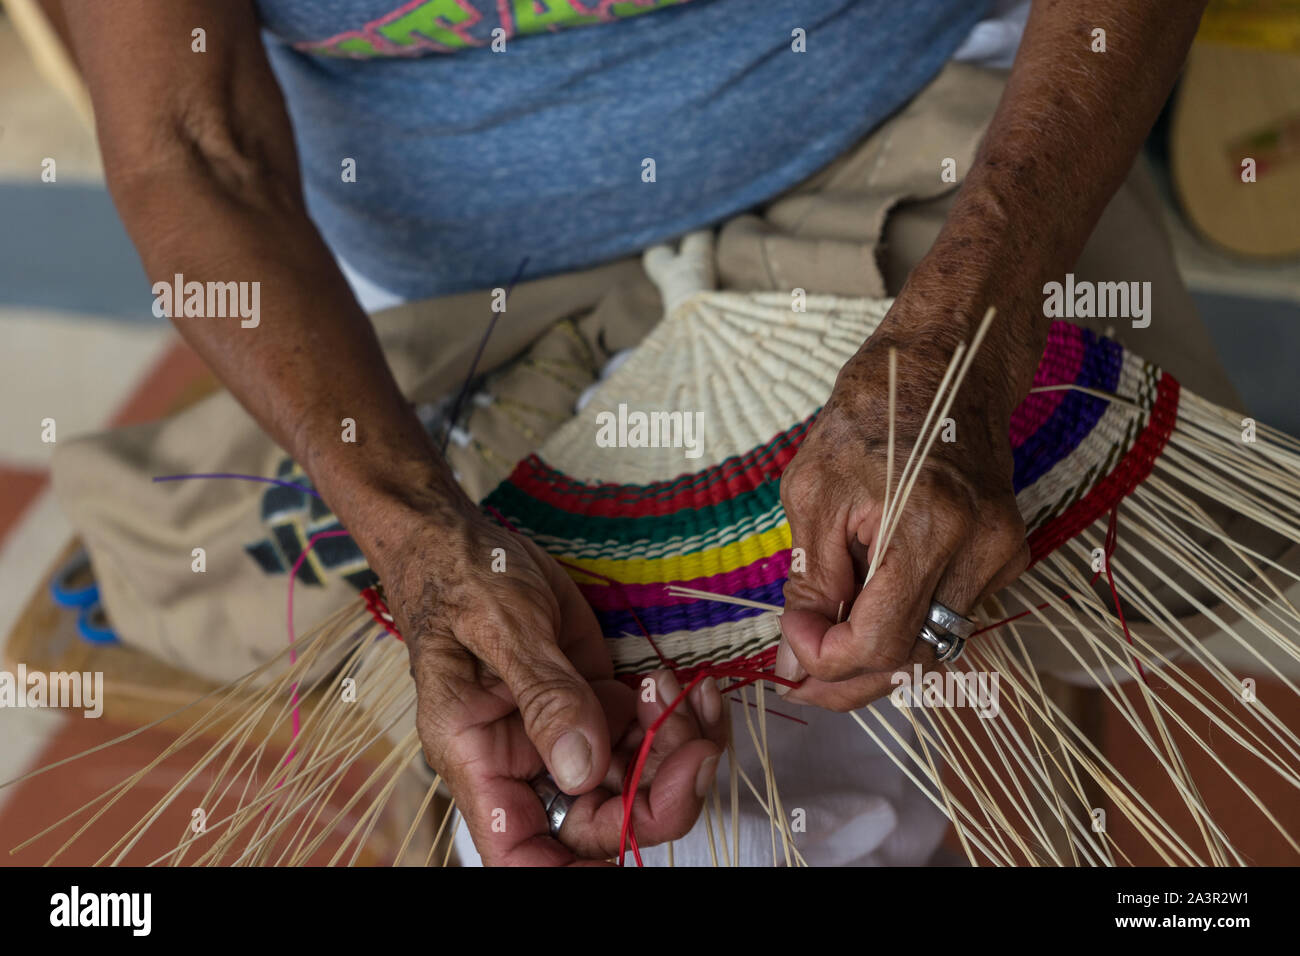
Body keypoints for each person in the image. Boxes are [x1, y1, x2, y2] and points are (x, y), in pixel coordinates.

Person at [61, 0, 1222, 865]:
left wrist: (962, 339)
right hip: (464, 289)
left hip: (920, 147)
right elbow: (187, 147)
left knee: (901, 639)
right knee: (587, 778)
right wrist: (416, 539)